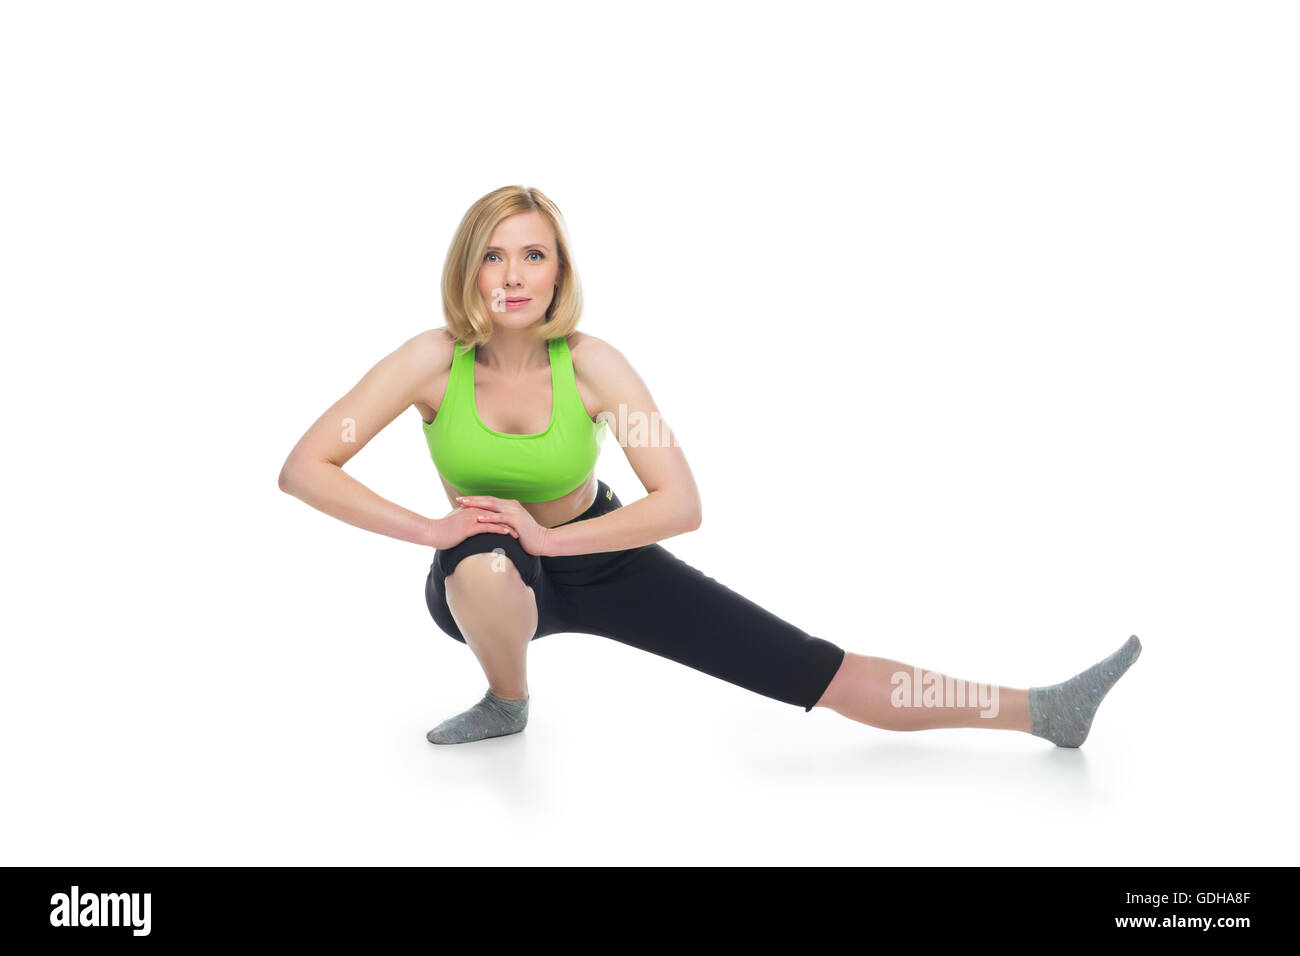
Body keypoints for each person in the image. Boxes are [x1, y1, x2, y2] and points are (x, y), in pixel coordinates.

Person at [277, 185, 1142, 748]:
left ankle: (1039, 711)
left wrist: (557, 536)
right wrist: (432, 528)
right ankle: (509, 697)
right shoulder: (429, 360)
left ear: (557, 271)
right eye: (495, 254)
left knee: (815, 668)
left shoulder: (595, 364)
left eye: (533, 254)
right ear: (470, 267)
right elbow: (307, 464)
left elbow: (680, 503)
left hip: (601, 552)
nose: (513, 274)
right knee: (489, 563)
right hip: (483, 574)